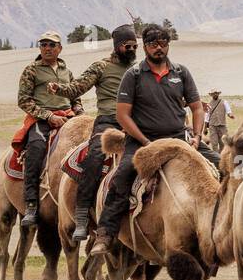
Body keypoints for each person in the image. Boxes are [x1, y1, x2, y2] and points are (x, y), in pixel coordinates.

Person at [88, 26, 216, 256]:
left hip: (179, 138)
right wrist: (145, 142)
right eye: (153, 44)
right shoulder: (134, 75)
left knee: (221, 166)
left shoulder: (181, 72)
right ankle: (105, 233)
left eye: (163, 43)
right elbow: (122, 115)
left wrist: (197, 137)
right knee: (122, 176)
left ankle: (223, 230)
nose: (159, 48)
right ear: (145, 46)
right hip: (143, 142)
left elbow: (197, 108)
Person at [46, 24, 137, 242]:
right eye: (128, 46)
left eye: (135, 45)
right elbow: (78, 87)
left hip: (136, 123)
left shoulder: (138, 69)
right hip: (108, 122)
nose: (132, 49)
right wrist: (61, 89)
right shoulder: (101, 67)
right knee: (94, 157)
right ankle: (82, 214)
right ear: (117, 47)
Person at [15, 30, 82, 227]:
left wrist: (79, 113)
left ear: (59, 48)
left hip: (68, 118)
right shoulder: (32, 70)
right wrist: (48, 116)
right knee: (35, 150)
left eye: (51, 45)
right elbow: (23, 100)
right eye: (43, 44)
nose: (47, 48)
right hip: (41, 120)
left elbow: (75, 98)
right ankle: (31, 204)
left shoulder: (66, 71)